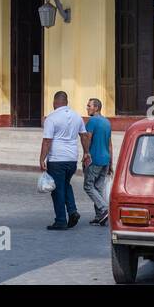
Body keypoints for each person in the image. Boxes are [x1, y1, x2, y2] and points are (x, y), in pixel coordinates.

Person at [38, 90, 90, 230]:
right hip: (71, 159)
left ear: (55, 102)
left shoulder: (51, 118)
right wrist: (86, 152)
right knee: (66, 185)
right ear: (66, 102)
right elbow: (84, 136)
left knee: (57, 190)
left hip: (57, 159)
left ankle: (60, 220)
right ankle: (72, 211)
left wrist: (42, 159)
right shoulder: (77, 116)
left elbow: (47, 141)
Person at [82, 98, 113, 225]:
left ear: (96, 108)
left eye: (89, 106)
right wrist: (111, 162)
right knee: (98, 188)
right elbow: (110, 144)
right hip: (105, 159)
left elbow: (87, 138)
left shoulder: (92, 121)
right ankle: (99, 216)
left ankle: (104, 209)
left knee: (88, 186)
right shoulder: (107, 122)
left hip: (94, 158)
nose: (87, 107)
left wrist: (86, 154)